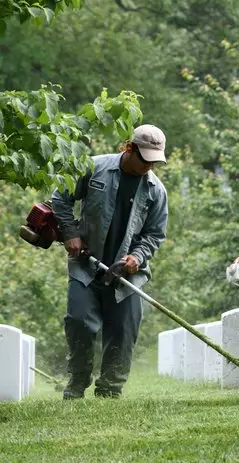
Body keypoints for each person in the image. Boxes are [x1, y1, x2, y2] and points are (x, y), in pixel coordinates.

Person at [51, 124, 169, 399]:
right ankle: (78, 383)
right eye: (145, 159)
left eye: (155, 161)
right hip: (86, 267)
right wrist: (70, 233)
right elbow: (61, 198)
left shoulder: (156, 191)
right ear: (129, 148)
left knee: (124, 331)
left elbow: (155, 234)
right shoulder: (93, 168)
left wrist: (137, 258)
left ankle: (109, 390)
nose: (149, 167)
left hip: (127, 276)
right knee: (79, 322)